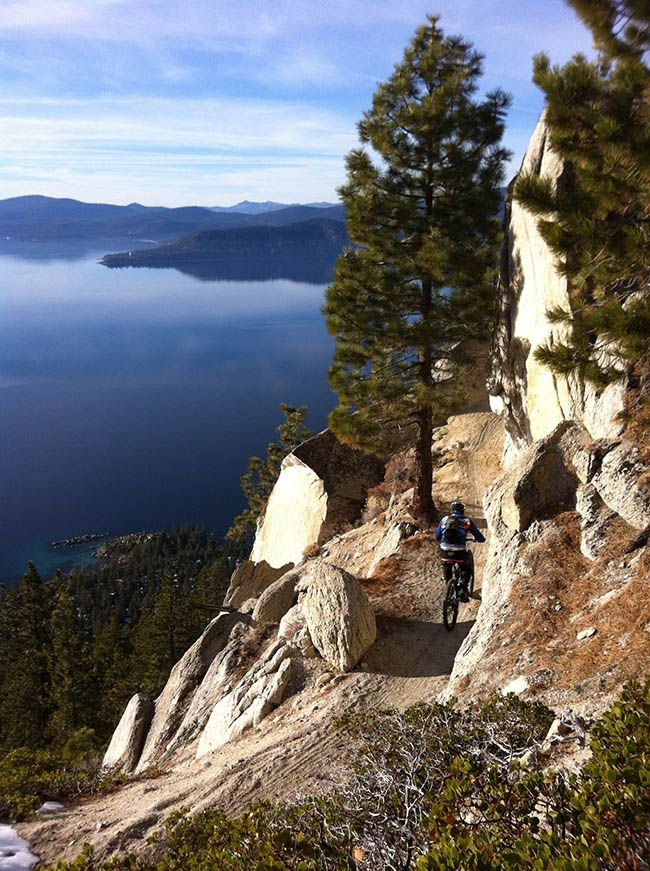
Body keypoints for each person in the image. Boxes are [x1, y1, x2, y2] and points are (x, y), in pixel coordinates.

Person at [435, 501, 485, 601]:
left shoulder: (445, 519)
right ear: (463, 511)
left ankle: (448, 585)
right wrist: (480, 539)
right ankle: (462, 588)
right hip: (459, 551)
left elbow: (437, 537)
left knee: (446, 565)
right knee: (466, 568)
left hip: (445, 550)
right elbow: (478, 535)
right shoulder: (466, 521)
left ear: (451, 511)